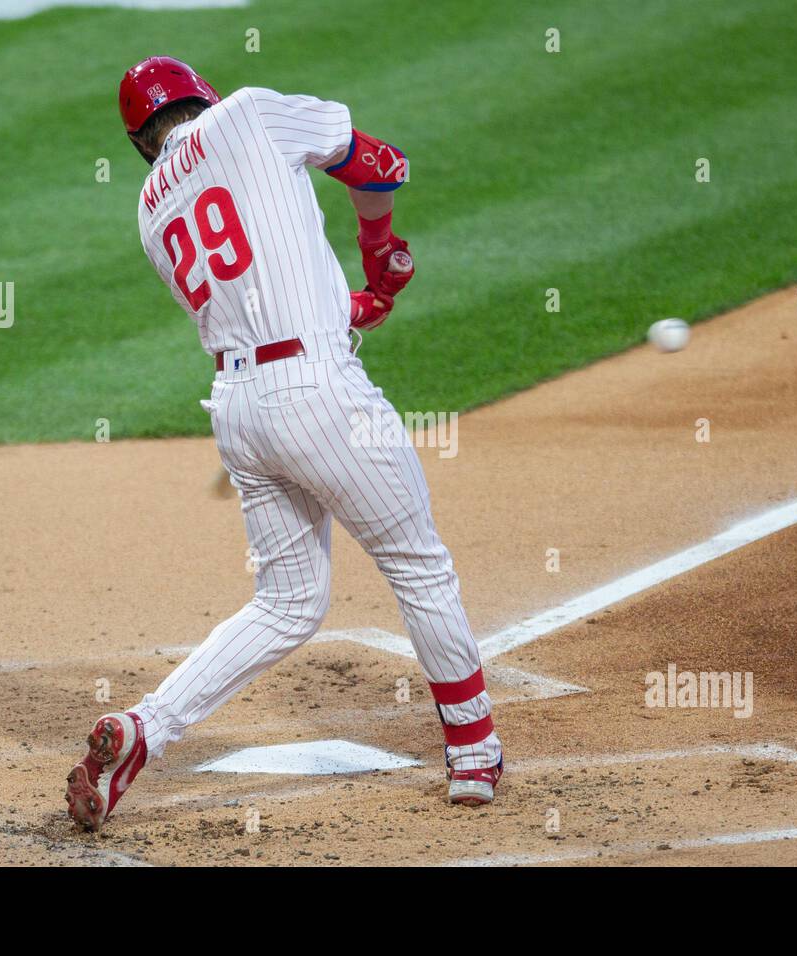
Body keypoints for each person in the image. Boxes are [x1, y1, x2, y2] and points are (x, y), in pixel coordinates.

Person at [65, 58, 502, 832]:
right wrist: (381, 251)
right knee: (418, 565)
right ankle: (473, 755)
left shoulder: (149, 208)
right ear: (201, 95)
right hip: (320, 394)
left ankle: (144, 728)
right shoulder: (249, 112)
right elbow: (378, 163)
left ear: (140, 141)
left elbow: (259, 297)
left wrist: (351, 307)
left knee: (287, 601)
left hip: (240, 408)